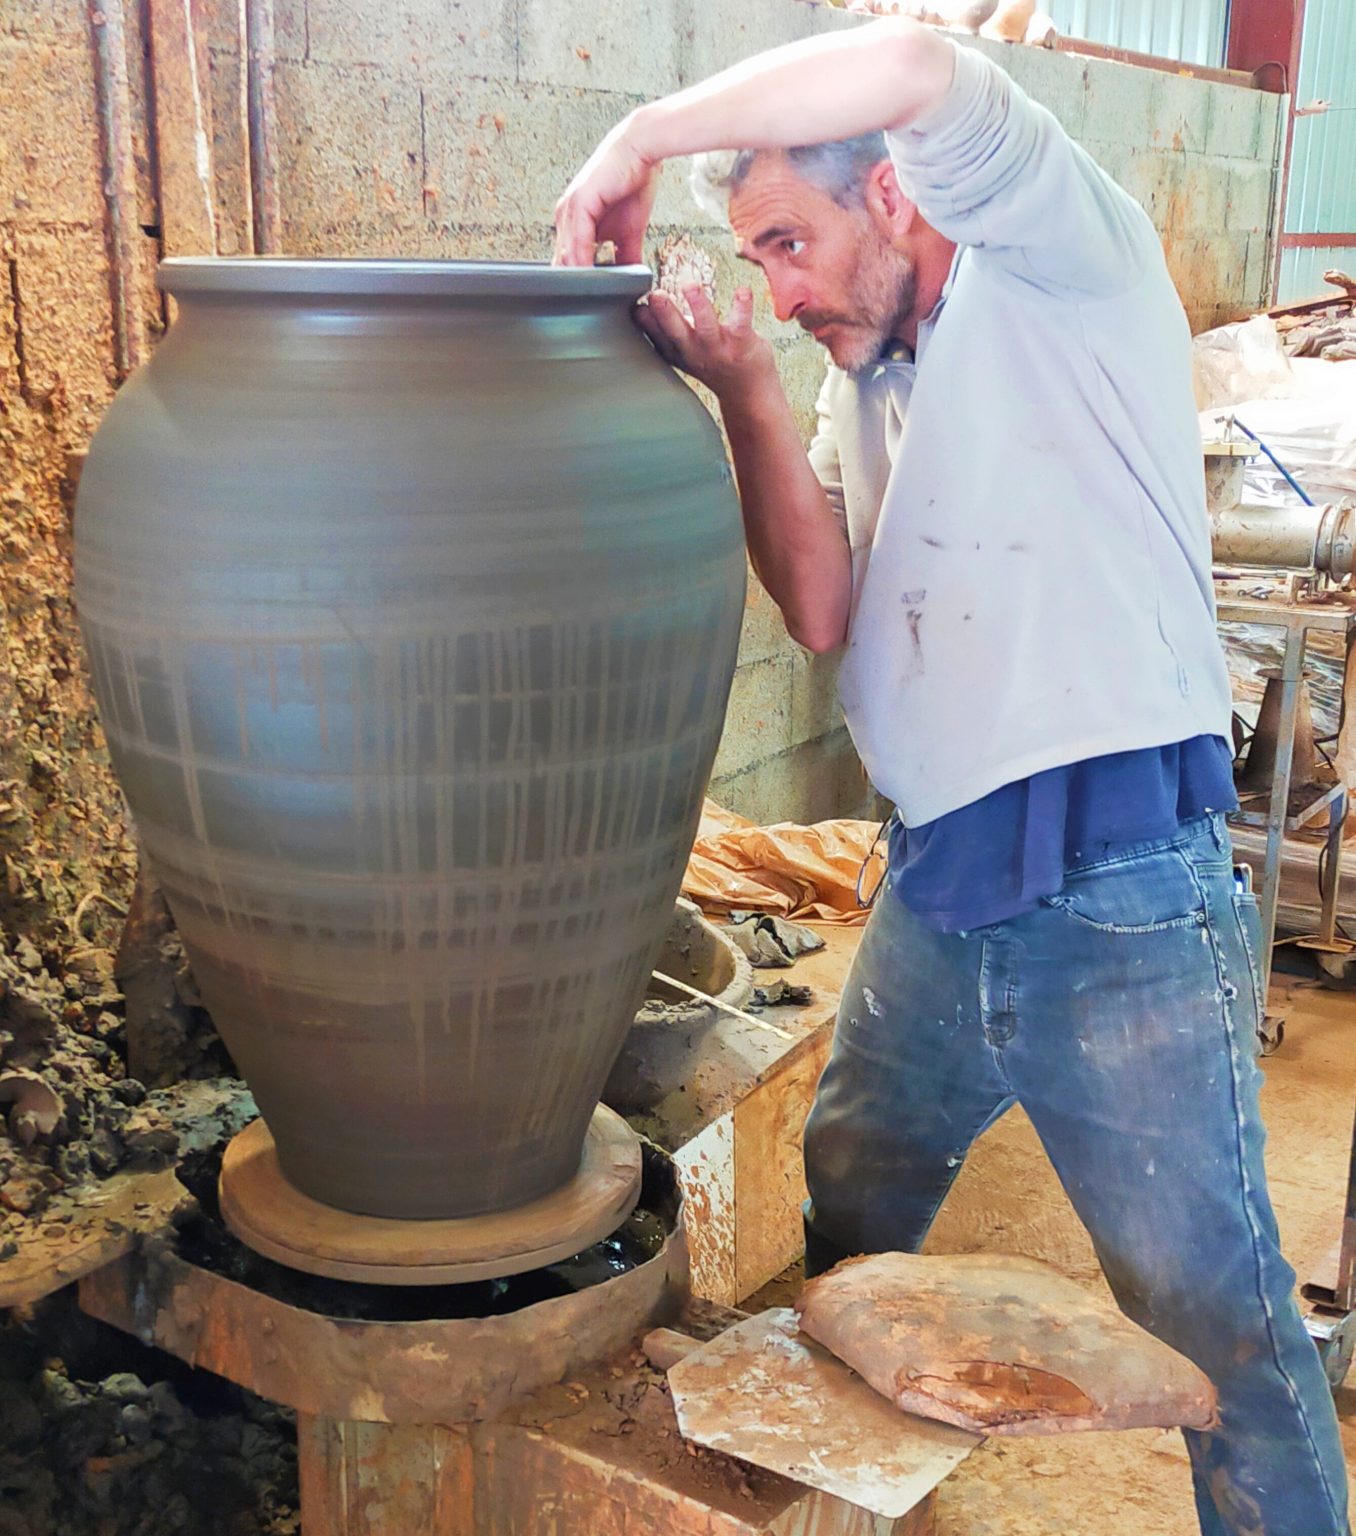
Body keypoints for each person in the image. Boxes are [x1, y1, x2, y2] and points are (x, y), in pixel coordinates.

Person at [553, 17, 1349, 1536]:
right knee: (852, 1222)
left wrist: (637, 137)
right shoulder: (870, 378)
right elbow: (825, 610)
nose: (781, 290)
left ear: (902, 199)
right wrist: (745, 388)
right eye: (761, 263)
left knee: (1219, 1324)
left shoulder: (1065, 269)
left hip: (1119, 905)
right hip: (938, 892)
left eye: (792, 241)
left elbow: (919, 60)